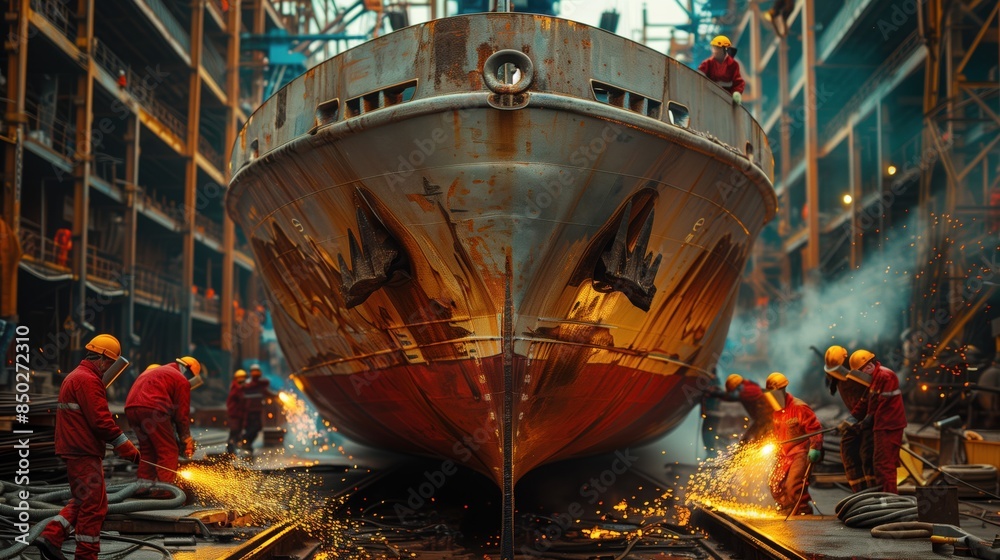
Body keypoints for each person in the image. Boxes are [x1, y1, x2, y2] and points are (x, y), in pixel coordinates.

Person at [36, 334, 140, 560]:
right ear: (102, 359)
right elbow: (101, 421)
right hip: (82, 450)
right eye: (110, 364)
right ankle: (85, 556)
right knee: (93, 505)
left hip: (77, 448)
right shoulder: (88, 380)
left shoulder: (77, 375)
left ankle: (51, 537)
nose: (109, 369)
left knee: (85, 499)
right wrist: (125, 445)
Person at [124, 357, 203, 486]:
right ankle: (166, 491)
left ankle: (143, 487)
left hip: (131, 409)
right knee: (168, 451)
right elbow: (182, 415)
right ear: (188, 370)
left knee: (148, 451)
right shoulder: (181, 379)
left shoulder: (160, 371)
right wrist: (186, 438)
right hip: (152, 409)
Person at [845, 349, 906, 493]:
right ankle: (885, 497)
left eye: (860, 371)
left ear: (868, 366)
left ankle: (889, 499)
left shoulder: (885, 376)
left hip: (889, 425)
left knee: (884, 464)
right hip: (883, 425)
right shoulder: (876, 377)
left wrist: (868, 419)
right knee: (880, 463)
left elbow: (881, 403)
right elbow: (866, 400)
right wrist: (850, 419)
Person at [765, 372, 823, 516]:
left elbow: (815, 430)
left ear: (782, 390)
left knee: (793, 485)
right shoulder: (777, 411)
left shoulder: (799, 408)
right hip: (785, 454)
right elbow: (777, 432)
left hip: (800, 452)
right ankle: (787, 508)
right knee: (775, 483)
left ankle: (803, 511)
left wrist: (815, 448)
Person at [826, 345, 876, 492]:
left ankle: (874, 491)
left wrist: (854, 419)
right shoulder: (838, 376)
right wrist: (852, 420)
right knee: (848, 447)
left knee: (867, 453)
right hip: (859, 419)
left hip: (874, 420)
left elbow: (869, 401)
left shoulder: (864, 375)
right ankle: (860, 492)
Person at [721, 373, 772, 443]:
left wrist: (716, 393)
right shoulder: (748, 388)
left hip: (769, 421)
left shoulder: (750, 390)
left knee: (760, 440)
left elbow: (734, 396)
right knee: (745, 441)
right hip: (760, 421)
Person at [698, 35, 745, 105]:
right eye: (713, 48)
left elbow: (738, 82)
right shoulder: (707, 63)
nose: (714, 51)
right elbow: (699, 76)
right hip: (709, 96)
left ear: (725, 50)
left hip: (727, 100)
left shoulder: (733, 65)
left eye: (717, 48)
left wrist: (736, 93)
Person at [241, 363, 275, 455]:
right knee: (253, 427)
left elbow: (267, 393)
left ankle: (247, 443)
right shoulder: (248, 384)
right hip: (249, 410)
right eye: (254, 372)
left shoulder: (260, 385)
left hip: (257, 410)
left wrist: (276, 395)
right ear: (251, 373)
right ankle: (244, 440)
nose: (256, 373)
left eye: (257, 372)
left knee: (256, 428)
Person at [700, 371, 726, 459]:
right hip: (711, 414)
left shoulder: (716, 385)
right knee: (707, 434)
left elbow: (716, 393)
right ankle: (711, 454)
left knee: (708, 434)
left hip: (713, 415)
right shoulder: (711, 384)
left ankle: (712, 455)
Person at [226, 369, 247, 455]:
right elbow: (238, 397)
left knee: (237, 432)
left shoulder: (239, 387)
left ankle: (233, 448)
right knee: (234, 431)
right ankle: (230, 449)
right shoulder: (235, 388)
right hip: (235, 414)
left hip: (239, 414)